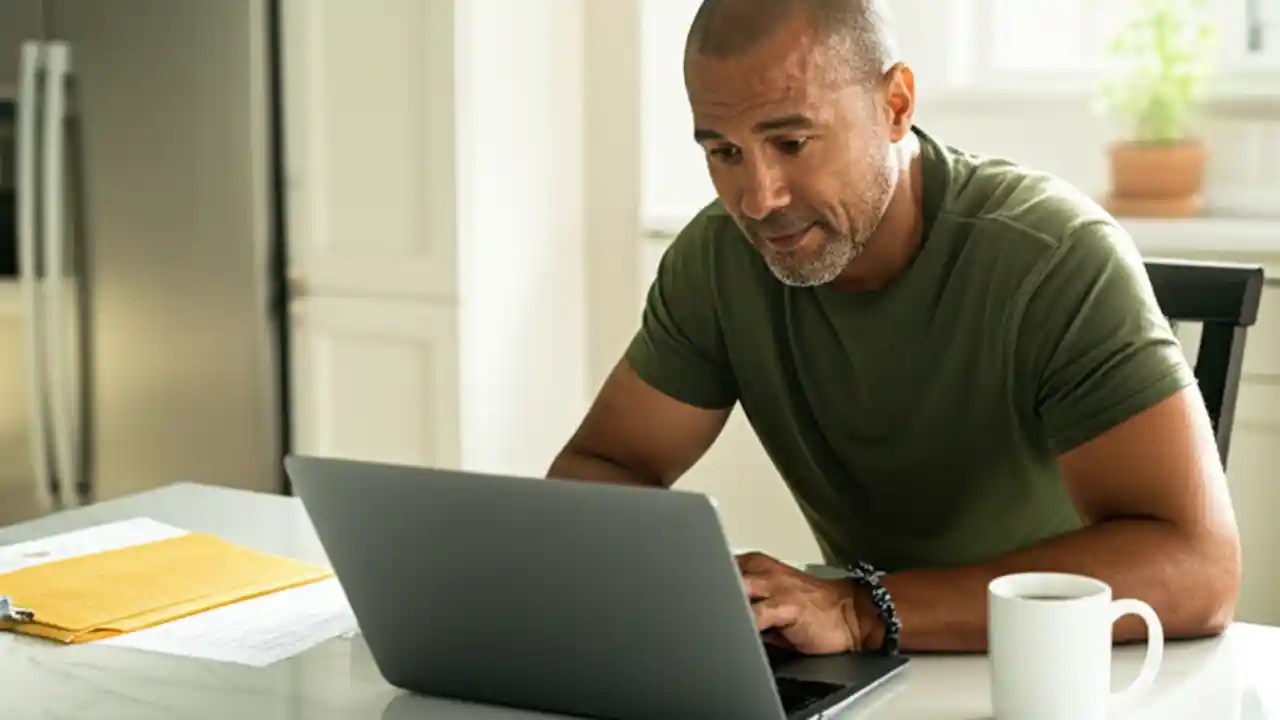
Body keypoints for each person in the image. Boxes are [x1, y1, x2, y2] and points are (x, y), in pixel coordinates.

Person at [548, 0, 1240, 654]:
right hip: (878, 674)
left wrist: (859, 609)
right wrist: (715, 588)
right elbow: (597, 470)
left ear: (895, 106)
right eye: (723, 153)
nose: (759, 200)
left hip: (1072, 677)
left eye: (791, 141)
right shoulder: (716, 262)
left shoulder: (1053, 255)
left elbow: (1198, 569)